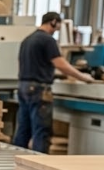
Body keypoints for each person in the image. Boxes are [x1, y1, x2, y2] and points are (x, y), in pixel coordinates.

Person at [14, 11, 93, 152]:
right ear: (53, 22)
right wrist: (83, 77)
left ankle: (15, 161)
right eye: (58, 26)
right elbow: (60, 64)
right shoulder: (47, 40)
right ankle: (39, 166)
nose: (57, 30)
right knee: (41, 130)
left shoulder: (28, 39)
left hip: (23, 86)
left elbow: (21, 63)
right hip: (39, 89)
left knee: (23, 130)